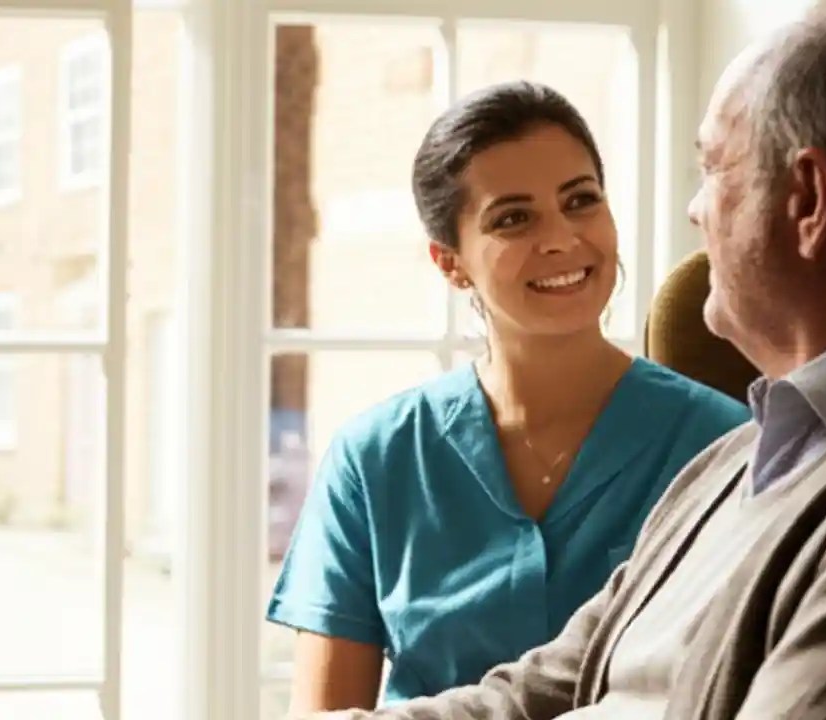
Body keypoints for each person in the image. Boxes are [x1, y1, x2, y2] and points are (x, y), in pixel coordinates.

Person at [300, 0, 826, 718]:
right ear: (449, 261)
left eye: (713, 169)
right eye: (513, 217)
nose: (694, 211)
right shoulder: (739, 458)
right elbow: (540, 690)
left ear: (807, 200)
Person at [268, 81, 750, 714]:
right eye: (512, 218)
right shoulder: (374, 459)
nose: (560, 239)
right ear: (450, 262)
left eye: (581, 201)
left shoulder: (726, 445)